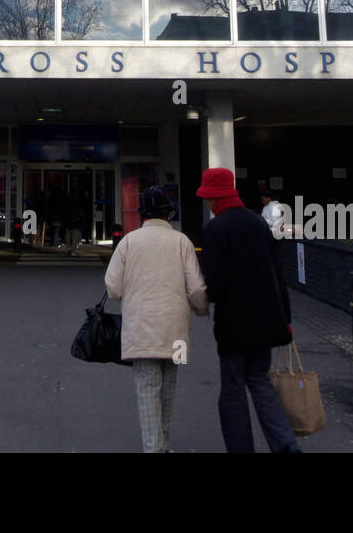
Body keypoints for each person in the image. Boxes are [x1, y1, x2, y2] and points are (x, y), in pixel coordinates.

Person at [197, 168, 301, 454]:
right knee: (260, 382)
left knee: (232, 390)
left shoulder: (216, 229)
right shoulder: (258, 223)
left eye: (206, 198)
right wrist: (286, 319)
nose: (206, 203)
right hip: (267, 321)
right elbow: (278, 275)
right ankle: (285, 444)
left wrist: (203, 297)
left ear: (214, 198)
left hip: (234, 323)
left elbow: (215, 285)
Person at [104, 186, 209, 453]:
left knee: (147, 388)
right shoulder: (182, 242)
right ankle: (162, 442)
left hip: (141, 328)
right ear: (168, 214)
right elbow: (196, 289)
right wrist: (200, 309)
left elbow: (113, 288)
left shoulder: (129, 242)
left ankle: (154, 448)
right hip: (178, 329)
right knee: (169, 388)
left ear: (143, 215)